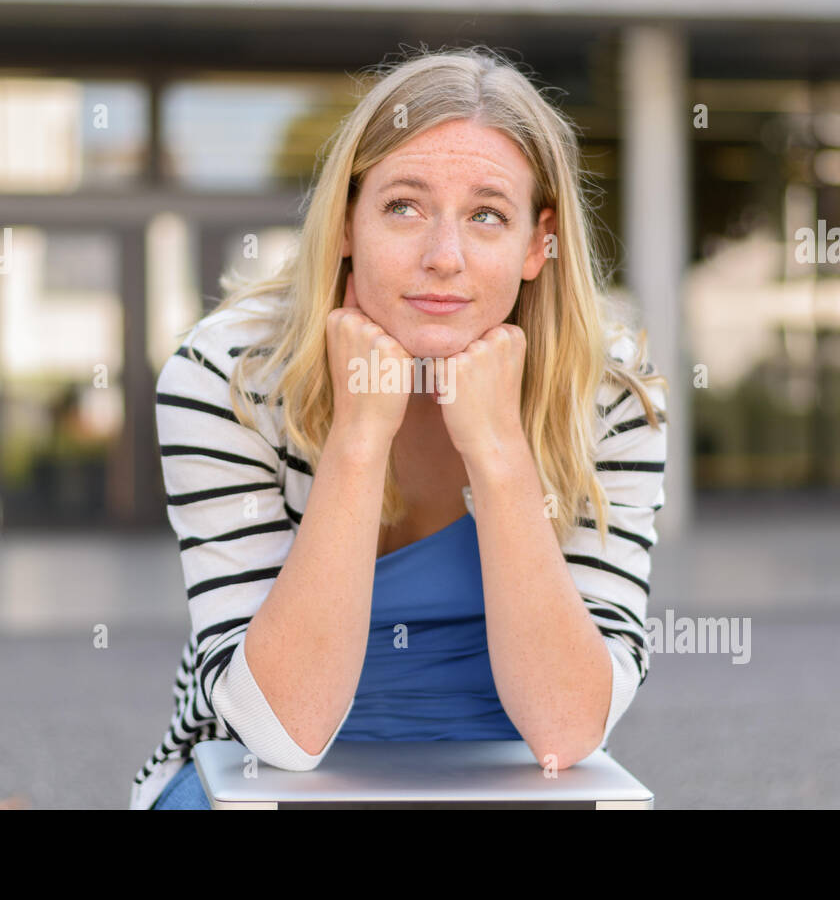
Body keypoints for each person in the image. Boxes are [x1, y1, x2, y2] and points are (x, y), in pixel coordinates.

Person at [133, 45, 668, 811]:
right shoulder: (227, 376)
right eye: (404, 206)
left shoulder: (610, 392)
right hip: (253, 781)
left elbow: (564, 728)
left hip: (513, 782)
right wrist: (358, 437)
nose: (442, 258)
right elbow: (282, 731)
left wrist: (498, 450)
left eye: (487, 215)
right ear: (347, 220)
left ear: (535, 243)